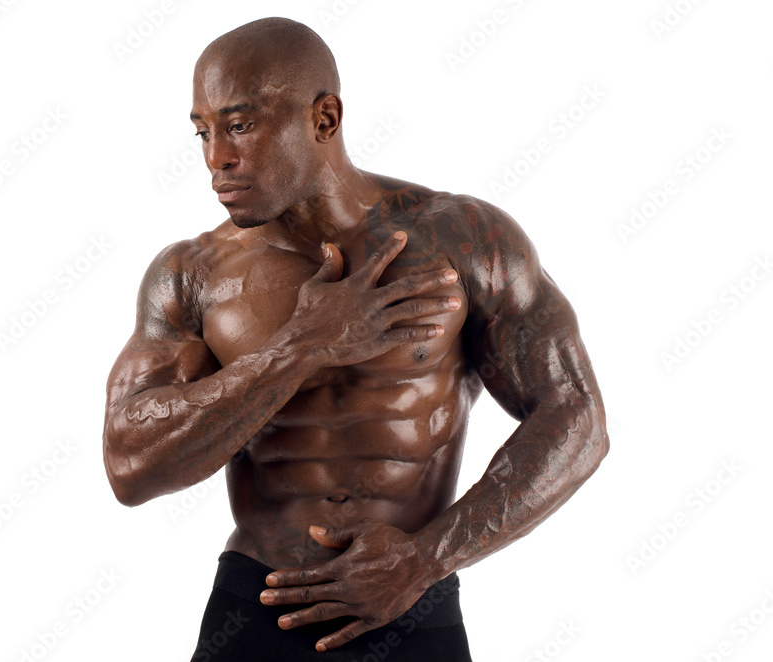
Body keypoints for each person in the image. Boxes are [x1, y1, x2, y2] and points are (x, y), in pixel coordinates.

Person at [102, 16, 609, 661]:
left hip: (411, 603)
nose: (215, 159)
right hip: (258, 615)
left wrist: (426, 560)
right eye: (202, 131)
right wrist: (301, 345)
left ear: (324, 119)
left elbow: (577, 417)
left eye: (239, 125)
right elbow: (130, 465)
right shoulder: (191, 274)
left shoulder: (464, 239)